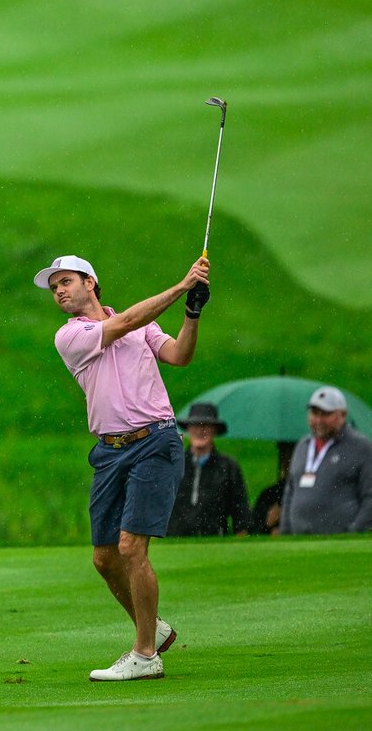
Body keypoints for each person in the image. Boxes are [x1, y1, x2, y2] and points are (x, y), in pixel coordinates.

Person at [36, 252, 210, 682]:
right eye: (54, 286)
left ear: (90, 282)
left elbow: (178, 355)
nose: (58, 290)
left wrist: (192, 312)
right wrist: (181, 286)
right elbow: (125, 323)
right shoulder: (70, 336)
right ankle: (154, 628)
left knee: (131, 548)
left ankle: (146, 653)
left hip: (155, 440)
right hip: (110, 452)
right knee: (104, 558)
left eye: (66, 281)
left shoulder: (140, 323)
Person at [279, 386, 372, 535]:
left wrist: (355, 532)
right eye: (314, 413)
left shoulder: (361, 447)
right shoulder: (303, 446)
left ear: (342, 415)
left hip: (339, 544)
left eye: (325, 414)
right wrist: (285, 531)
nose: (318, 420)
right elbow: (290, 492)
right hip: (299, 542)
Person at [166, 402, 253, 537]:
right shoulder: (174, 464)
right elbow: (156, 505)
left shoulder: (228, 467)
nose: (200, 430)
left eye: (206, 425)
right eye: (195, 425)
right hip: (175, 541)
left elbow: (240, 511)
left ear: (215, 430)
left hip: (214, 542)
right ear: (188, 429)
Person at [250, 442, 295, 536]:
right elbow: (253, 531)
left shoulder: (309, 494)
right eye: (287, 459)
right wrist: (268, 524)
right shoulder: (269, 495)